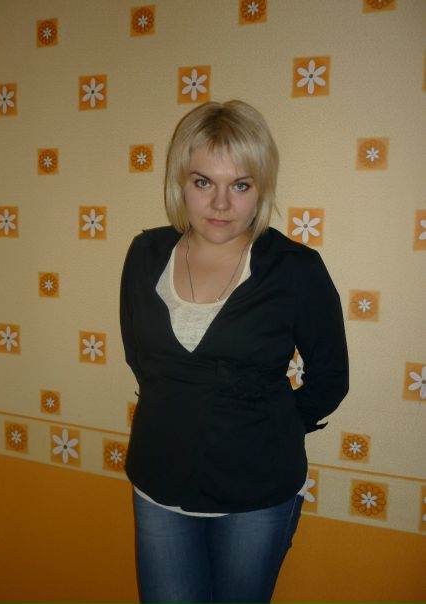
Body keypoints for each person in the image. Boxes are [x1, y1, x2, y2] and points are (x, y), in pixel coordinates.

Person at [120, 100, 349, 604]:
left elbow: (330, 377)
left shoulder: (296, 269)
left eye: (240, 185)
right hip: (158, 485)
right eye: (203, 182)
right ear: (180, 182)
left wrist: (273, 425)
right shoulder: (144, 255)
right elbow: (142, 360)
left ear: (260, 188)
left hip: (258, 497)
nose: (221, 204)